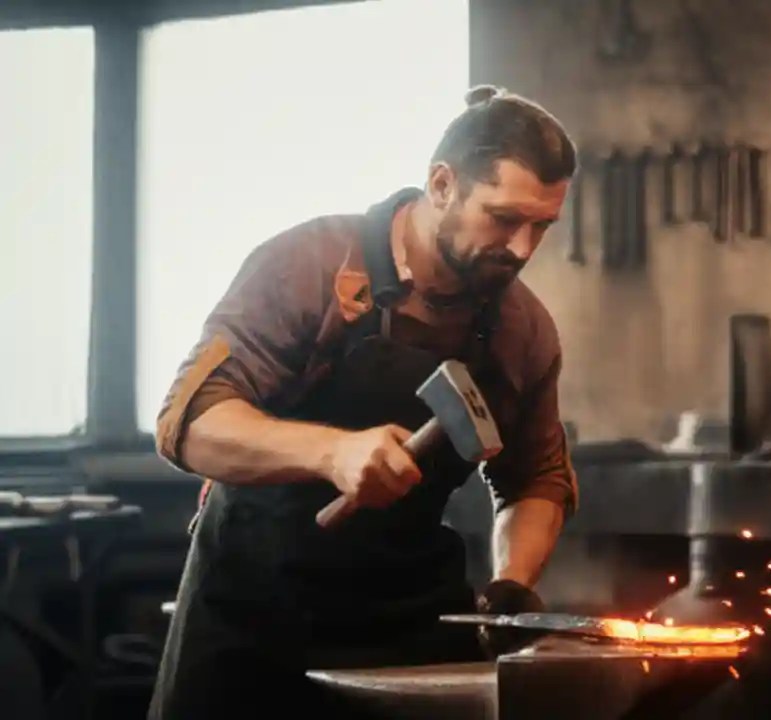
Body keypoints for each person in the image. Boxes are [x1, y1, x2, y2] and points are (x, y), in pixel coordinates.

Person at [147, 85, 578, 719]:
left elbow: (534, 478)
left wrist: (512, 584)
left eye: (541, 224)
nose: (523, 248)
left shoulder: (523, 330)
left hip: (404, 619)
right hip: (256, 614)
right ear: (440, 185)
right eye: (504, 218)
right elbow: (188, 423)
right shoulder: (312, 265)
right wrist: (331, 452)